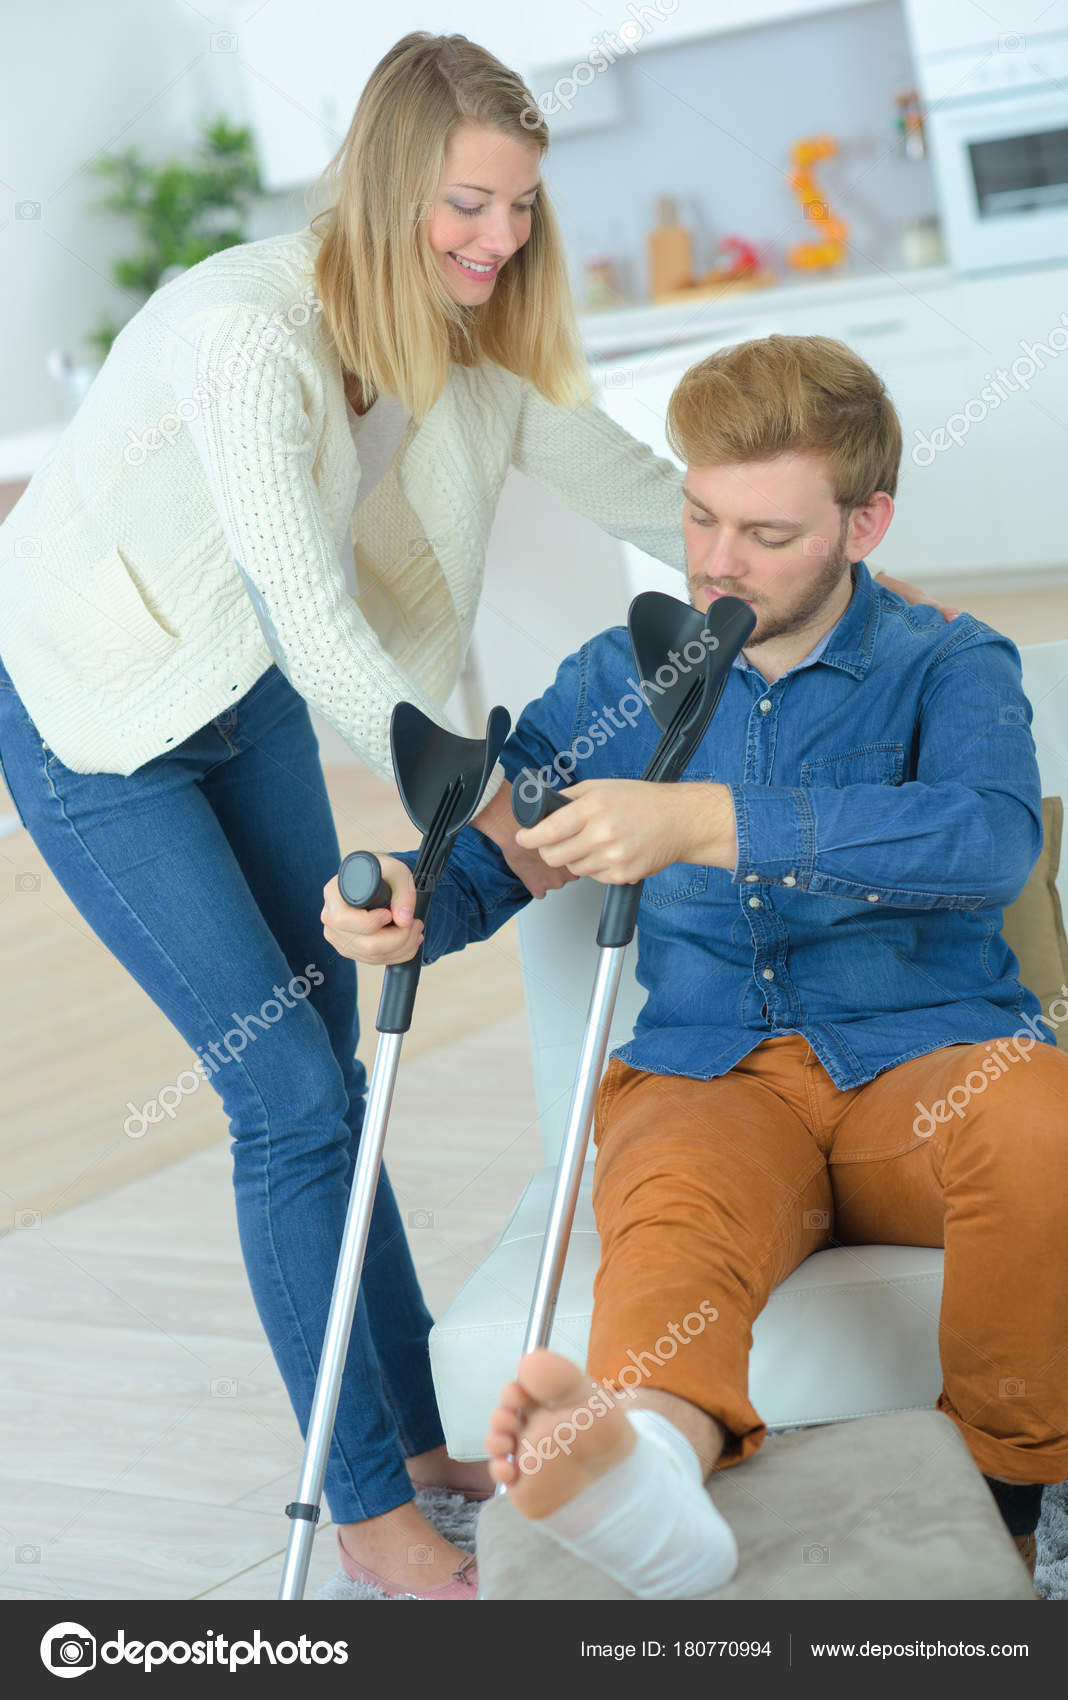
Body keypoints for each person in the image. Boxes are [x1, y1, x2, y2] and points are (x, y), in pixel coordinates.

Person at [0, 31, 943, 1602]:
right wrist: (498, 805)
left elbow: (633, 481)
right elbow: (311, 613)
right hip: (91, 711)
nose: (497, 242)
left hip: (238, 702)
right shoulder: (249, 336)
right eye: (466, 204)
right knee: (287, 1098)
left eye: (518, 208)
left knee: (345, 1074)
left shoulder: (464, 341)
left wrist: (840, 571)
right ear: (385, 181)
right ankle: (366, 1509)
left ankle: (410, 1435)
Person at [323, 331, 1068, 1600]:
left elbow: (991, 838)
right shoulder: (622, 674)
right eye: (700, 516)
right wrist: (409, 900)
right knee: (670, 1202)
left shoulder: (950, 662)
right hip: (714, 1073)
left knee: (1042, 1119)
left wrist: (713, 822)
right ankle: (652, 1477)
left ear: (864, 521)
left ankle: (1006, 1509)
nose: (717, 560)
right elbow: (514, 853)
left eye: (768, 534)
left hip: (925, 1068)